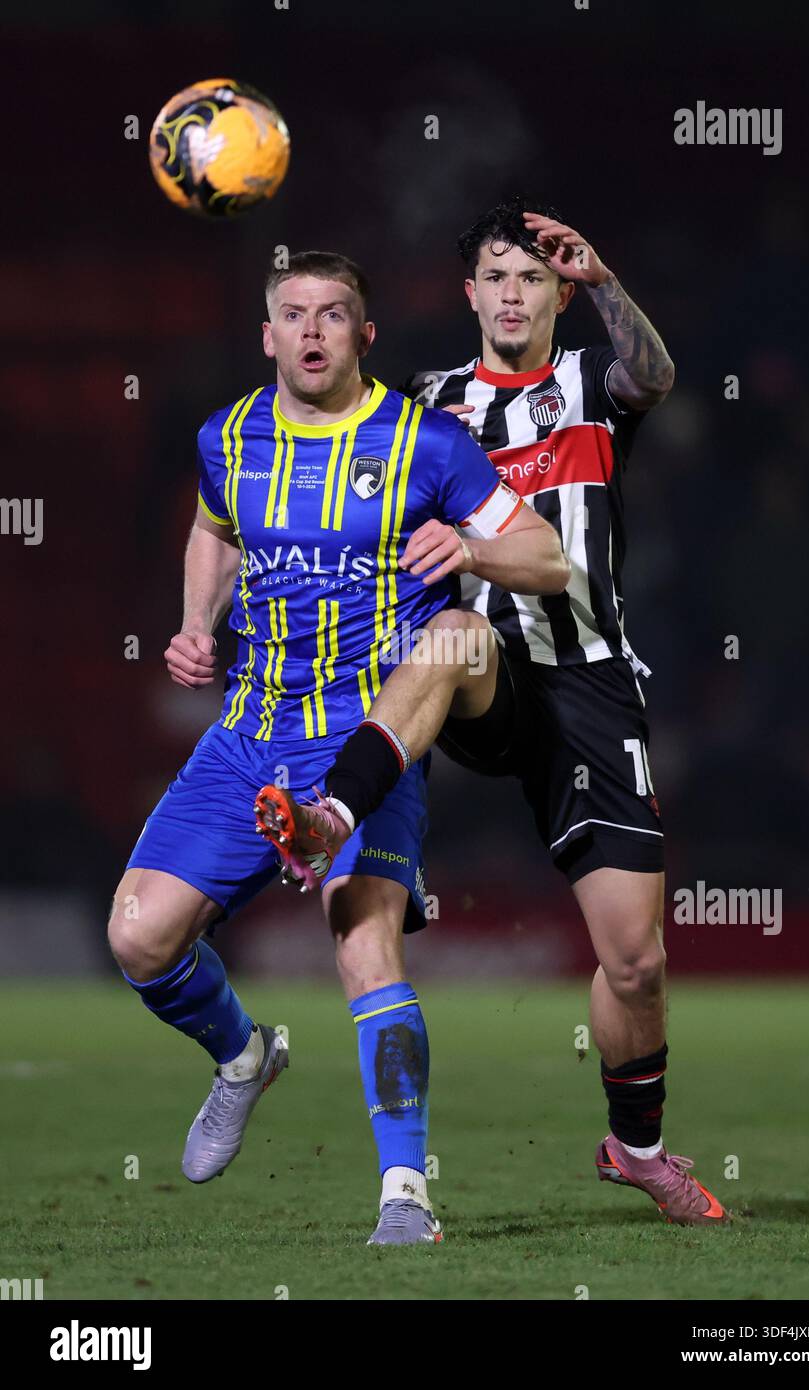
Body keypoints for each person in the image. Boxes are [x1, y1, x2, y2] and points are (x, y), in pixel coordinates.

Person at [257, 200, 727, 1227]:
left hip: (589, 678)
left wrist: (603, 279)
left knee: (634, 956)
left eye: (531, 277)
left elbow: (653, 376)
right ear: (467, 294)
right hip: (474, 671)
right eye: (495, 277)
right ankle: (349, 813)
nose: (512, 292)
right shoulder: (425, 406)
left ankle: (633, 1147)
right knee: (453, 641)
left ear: (555, 293)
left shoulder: (590, 388)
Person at [107, 248, 567, 1247]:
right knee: (139, 938)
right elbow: (214, 530)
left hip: (371, 733)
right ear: (267, 334)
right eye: (292, 313)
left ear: (365, 336)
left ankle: (405, 1196)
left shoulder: (425, 442)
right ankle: (242, 1056)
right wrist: (195, 619)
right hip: (248, 735)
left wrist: (473, 548)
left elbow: (548, 555)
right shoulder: (227, 436)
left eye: (332, 314)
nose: (310, 329)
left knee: (363, 946)